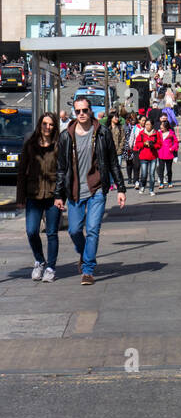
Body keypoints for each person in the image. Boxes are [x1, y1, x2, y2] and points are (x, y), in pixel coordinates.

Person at [54, 93, 126, 285]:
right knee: (74, 231)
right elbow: (61, 168)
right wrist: (58, 195)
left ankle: (87, 270)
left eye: (85, 110)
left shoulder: (102, 133)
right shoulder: (65, 137)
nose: (81, 114)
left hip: (96, 189)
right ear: (74, 112)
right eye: (78, 111)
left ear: (90, 111)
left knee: (93, 229)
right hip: (74, 191)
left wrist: (121, 188)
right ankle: (85, 253)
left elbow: (112, 163)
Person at [16, 110, 61, 282]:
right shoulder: (30, 144)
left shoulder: (58, 145)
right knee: (31, 231)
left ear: (54, 126)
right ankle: (40, 260)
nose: (47, 127)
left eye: (50, 124)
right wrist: (20, 197)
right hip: (33, 194)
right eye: (44, 124)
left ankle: (50, 267)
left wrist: (62, 195)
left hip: (52, 194)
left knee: (51, 233)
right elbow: (21, 171)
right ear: (40, 125)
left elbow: (63, 171)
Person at [135, 118, 161, 195]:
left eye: (149, 124)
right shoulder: (142, 133)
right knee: (144, 174)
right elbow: (137, 144)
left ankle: (151, 189)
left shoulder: (156, 133)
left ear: (152, 125)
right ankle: (142, 186)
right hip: (143, 156)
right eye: (146, 124)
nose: (147, 126)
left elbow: (159, 144)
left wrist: (153, 145)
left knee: (152, 174)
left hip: (153, 156)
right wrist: (144, 144)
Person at [156, 114, 178, 189]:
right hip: (161, 153)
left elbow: (176, 142)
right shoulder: (159, 133)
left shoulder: (171, 133)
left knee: (169, 169)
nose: (160, 126)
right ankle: (161, 182)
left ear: (166, 126)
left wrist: (172, 148)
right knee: (161, 169)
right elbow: (156, 141)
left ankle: (170, 181)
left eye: (162, 125)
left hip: (169, 153)